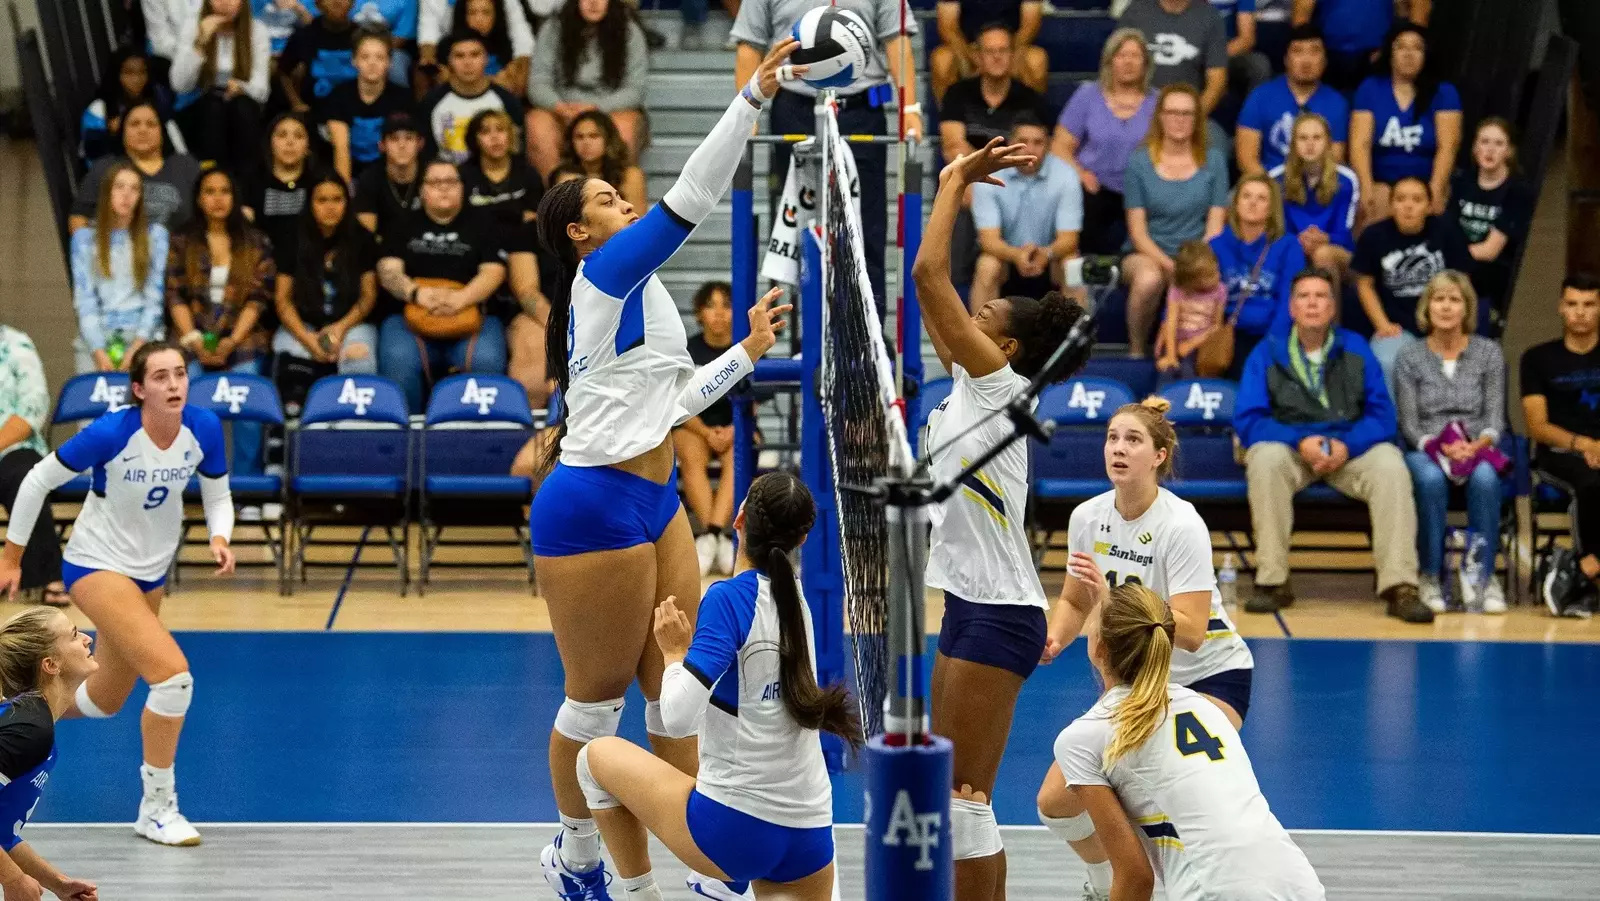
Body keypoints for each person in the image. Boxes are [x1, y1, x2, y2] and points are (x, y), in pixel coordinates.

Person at [527, 41, 798, 901]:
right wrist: (749, 100)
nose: (624, 201)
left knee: (678, 691)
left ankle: (705, 870)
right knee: (595, 707)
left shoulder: (646, 294)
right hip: (590, 506)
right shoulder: (601, 275)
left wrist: (747, 353)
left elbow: (677, 399)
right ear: (581, 230)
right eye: (607, 198)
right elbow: (692, 197)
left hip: (658, 499)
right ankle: (576, 854)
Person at [913, 137, 1090, 901]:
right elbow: (931, 295)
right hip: (967, 604)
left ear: (1006, 347)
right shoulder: (968, 388)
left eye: (981, 312)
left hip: (1001, 613)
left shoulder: (999, 386)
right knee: (948, 788)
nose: (967, 313)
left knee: (964, 795)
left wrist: (954, 179)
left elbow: (926, 275)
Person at [0, 341, 238, 848]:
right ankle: (156, 809)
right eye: (160, 377)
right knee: (173, 678)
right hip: (96, 564)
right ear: (138, 389)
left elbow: (218, 493)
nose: (174, 384)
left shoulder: (203, 428)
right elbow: (36, 481)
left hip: (150, 572)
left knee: (104, 699)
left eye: (179, 374)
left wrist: (221, 536)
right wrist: (12, 556)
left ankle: (3, 709)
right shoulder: (113, 433)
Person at [576, 472, 854, 901]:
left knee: (593, 759)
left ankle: (642, 895)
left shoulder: (728, 600)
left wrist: (672, 653)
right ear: (802, 539)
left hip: (732, 832)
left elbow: (678, 716)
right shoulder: (798, 604)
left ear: (739, 518)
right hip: (811, 836)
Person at [1033, 395, 1256, 901]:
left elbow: (1193, 629)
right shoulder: (1087, 518)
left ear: (1158, 455)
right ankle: (1105, 881)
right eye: (1112, 438)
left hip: (1206, 676)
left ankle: (1195, 886)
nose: (1118, 448)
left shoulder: (1180, 524)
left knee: (1172, 796)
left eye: (1133, 440)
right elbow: (1074, 598)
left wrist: (1112, 604)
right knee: (1055, 802)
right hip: (1138, 677)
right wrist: (1053, 637)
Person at [1051, 583, 1324, 901]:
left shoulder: (1083, 738)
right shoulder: (1207, 708)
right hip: (1299, 884)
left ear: (1099, 648)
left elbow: (1136, 879)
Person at [1234, 269, 1432, 622]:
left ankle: (1400, 586)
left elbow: (1383, 416)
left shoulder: (1356, 347)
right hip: (1293, 449)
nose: (1312, 303)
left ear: (1332, 307)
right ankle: (1272, 582)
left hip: (1348, 450)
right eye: (1304, 296)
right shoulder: (1267, 352)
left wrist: (1347, 445)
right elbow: (1249, 419)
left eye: (1321, 296)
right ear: (1291, 308)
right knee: (1264, 458)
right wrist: (1301, 441)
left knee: (1390, 465)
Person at [732, 0, 921, 314]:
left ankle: (867, 335)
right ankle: (801, 336)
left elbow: (897, 41)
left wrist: (910, 109)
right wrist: (746, 111)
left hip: (860, 111)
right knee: (794, 222)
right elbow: (748, 45)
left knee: (866, 223)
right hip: (794, 110)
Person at [1392, 271, 1508, 614]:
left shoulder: (1489, 353)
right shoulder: (1409, 356)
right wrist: (1438, 447)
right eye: (1439, 299)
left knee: (1486, 478)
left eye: (1454, 299)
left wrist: (1476, 446)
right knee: (1428, 479)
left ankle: (1482, 576)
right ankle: (1429, 574)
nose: (1446, 307)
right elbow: (1409, 423)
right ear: (1427, 307)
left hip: (1477, 446)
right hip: (1426, 448)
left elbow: (1495, 418)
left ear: (1466, 308)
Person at [375, 159, 510, 413]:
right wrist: (416, 293)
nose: (443, 188)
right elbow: (387, 270)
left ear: (462, 188)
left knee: (487, 360)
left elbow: (494, 271)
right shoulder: (401, 222)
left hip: (471, 312)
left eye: (451, 182)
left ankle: (478, 440)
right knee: (398, 362)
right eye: (435, 183)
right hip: (410, 313)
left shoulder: (484, 222)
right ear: (422, 190)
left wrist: (461, 299)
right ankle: (409, 440)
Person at [166, 168, 275, 480]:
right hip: (191, 339)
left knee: (247, 396)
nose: (217, 199)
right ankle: (189, 484)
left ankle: (246, 485)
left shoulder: (256, 241)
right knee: (181, 397)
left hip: (243, 339)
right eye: (209, 192)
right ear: (199, 199)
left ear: (235, 198)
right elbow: (175, 295)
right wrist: (194, 340)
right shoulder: (182, 240)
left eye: (224, 191)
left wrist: (231, 341)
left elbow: (258, 298)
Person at [1121, 83, 1230, 357]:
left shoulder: (1214, 160)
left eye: (1187, 113)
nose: (1179, 120)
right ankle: (1136, 351)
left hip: (1198, 253)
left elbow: (1215, 226)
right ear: (1160, 117)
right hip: (1147, 252)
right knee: (1149, 278)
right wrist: (1171, 266)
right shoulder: (1139, 162)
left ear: (1197, 119)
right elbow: (1138, 232)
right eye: (1172, 112)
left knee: (1214, 276)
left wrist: (1190, 266)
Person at [0, 608, 101, 900]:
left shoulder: (34, 723)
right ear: (51, 665)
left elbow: (4, 832)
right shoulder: (28, 730)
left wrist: (56, 883)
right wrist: (14, 880)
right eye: (73, 635)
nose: (86, 639)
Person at [460, 109, 553, 408]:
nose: (494, 137)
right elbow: (465, 221)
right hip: (476, 262)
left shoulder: (527, 173)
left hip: (523, 258)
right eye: (486, 131)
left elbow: (535, 219)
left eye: (500, 129)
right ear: (475, 139)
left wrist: (490, 214)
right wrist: (513, 213)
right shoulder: (465, 175)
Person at [1520, 274, 1600, 613]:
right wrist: (1584, 444)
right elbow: (1538, 426)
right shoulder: (1537, 358)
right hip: (1559, 453)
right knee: (1593, 481)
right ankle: (1587, 576)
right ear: (1560, 308)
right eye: (1572, 304)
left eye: (1589, 304)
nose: (1580, 312)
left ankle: (1584, 569)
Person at [1351, 176, 1472, 385]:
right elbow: (1364, 285)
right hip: (1398, 324)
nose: (1408, 206)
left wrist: (1450, 323)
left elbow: (1462, 281)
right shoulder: (1374, 236)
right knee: (1385, 360)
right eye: (1400, 199)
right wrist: (1382, 324)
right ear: (1391, 205)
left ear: (1429, 206)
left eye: (1417, 200)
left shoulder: (1447, 231)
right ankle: (1395, 419)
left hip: (1443, 321)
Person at [1051, 28, 1156, 256]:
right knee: (1080, 200)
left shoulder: (1158, 102)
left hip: (1143, 188)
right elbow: (1059, 146)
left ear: (1146, 64)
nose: (1128, 62)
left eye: (1135, 56)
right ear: (1110, 61)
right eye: (1121, 55)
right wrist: (1081, 173)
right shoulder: (1088, 95)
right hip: (1094, 186)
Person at [1349, 23, 1461, 222]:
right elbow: (1360, 145)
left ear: (1426, 55)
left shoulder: (1444, 92)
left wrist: (1435, 189)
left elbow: (1448, 147)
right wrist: (1366, 187)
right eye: (1401, 47)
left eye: (1417, 48)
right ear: (1389, 53)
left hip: (1425, 182)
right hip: (1382, 181)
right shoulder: (1370, 88)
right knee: (1375, 205)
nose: (1409, 54)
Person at [525, 0, 651, 177]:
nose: (593, 3)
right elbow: (538, 82)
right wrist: (559, 106)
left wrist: (597, 108)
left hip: (610, 109)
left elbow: (635, 89)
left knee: (625, 125)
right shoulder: (553, 28)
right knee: (537, 123)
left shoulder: (629, 31)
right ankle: (556, 198)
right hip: (563, 108)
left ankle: (611, 198)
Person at [971, 115, 1083, 308]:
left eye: (1038, 142)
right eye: (1023, 142)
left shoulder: (1066, 175)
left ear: (1048, 145)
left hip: (1050, 259)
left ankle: (1074, 338)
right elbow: (988, 240)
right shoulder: (988, 175)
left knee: (1073, 265)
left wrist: (1045, 254)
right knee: (987, 266)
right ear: (1010, 143)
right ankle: (979, 337)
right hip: (1005, 258)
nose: (1030, 149)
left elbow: (1069, 239)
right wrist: (1016, 255)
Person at [273, 174, 381, 374]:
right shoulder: (291, 239)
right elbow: (282, 300)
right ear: (310, 203)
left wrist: (340, 328)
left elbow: (368, 296)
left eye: (337, 200)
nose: (330, 207)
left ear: (347, 203)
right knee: (290, 360)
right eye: (322, 200)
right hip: (302, 323)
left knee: (359, 360)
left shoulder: (363, 238)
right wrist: (306, 338)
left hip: (352, 323)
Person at [71, 163, 171, 376]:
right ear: (107, 193)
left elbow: (155, 300)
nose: (127, 195)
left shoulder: (155, 236)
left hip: (144, 334)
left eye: (134, 189)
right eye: (119, 187)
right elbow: (85, 300)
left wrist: (137, 347)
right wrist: (98, 350)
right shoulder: (84, 239)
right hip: (98, 334)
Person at [1209, 173, 1306, 373]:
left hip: (1270, 333)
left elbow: (1290, 298)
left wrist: (1272, 343)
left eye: (1261, 198)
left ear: (1271, 208)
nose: (1252, 203)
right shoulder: (1216, 245)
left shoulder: (1288, 245)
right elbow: (1192, 290)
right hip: (1227, 334)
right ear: (1235, 203)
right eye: (1246, 196)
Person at [676, 282, 740, 578]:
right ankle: (719, 537)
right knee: (690, 455)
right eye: (711, 306)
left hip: (735, 427)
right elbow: (676, 403)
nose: (718, 314)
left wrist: (733, 430)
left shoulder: (743, 348)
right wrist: (705, 432)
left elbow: (750, 406)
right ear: (700, 313)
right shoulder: (686, 350)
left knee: (737, 458)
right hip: (695, 427)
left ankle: (712, 536)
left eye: (726, 306)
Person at [169, 0, 271, 184]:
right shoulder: (193, 27)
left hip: (242, 109)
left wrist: (241, 87)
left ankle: (246, 186)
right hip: (201, 108)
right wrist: (201, 42)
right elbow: (179, 84)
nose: (225, 3)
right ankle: (214, 180)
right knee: (213, 106)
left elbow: (262, 90)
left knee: (242, 108)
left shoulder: (257, 30)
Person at [0, 329, 67, 609]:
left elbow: (32, 407)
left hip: (13, 443)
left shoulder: (15, 345)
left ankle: (50, 576)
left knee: (25, 476)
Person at [70, 102, 203, 233]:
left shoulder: (186, 165)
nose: (142, 130)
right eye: (134, 124)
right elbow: (78, 219)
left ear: (162, 132)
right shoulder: (104, 168)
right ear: (123, 131)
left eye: (151, 124)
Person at [1450, 118, 1535, 323]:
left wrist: (1448, 256)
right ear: (1475, 147)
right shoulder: (1461, 182)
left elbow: (1490, 250)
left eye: (1498, 144)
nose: (1490, 150)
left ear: (1509, 151)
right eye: (1484, 142)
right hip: (1459, 265)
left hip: (1494, 272)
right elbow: (1448, 230)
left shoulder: (1518, 191)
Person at [1236, 24, 1349, 174]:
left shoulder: (1337, 103)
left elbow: (1335, 159)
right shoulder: (1260, 97)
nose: (1306, 60)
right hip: (1269, 184)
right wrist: (1272, 189)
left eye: (1314, 51)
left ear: (1325, 61)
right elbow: (1246, 159)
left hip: (1318, 187)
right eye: (1298, 51)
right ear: (1286, 60)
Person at [937, 21, 1046, 164]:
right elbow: (953, 145)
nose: (997, 56)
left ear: (1013, 55)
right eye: (990, 51)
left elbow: (1032, 149)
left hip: (1015, 177)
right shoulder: (957, 93)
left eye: (1003, 50)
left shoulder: (1030, 99)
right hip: (970, 176)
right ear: (977, 56)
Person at [1272, 111, 1359, 281]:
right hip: (1291, 246)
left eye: (1317, 138)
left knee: (1322, 254)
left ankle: (1329, 308)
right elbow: (1276, 230)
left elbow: (1345, 234)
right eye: (1303, 138)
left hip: (1336, 251)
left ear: (1328, 143)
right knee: (1292, 252)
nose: (1310, 144)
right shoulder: (1275, 179)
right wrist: (1299, 241)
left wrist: (1324, 238)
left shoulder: (1347, 180)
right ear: (1293, 144)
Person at [420, 31, 528, 166]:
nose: (468, 62)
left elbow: (516, 152)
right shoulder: (431, 102)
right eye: (459, 56)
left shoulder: (507, 101)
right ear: (449, 61)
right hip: (447, 181)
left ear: (486, 58)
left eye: (475, 54)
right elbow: (426, 155)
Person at [323, 29, 416, 184]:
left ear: (389, 62)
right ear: (354, 60)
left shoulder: (403, 99)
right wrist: (345, 193)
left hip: (389, 178)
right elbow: (341, 149)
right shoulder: (338, 96)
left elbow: (404, 148)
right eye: (365, 57)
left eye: (379, 57)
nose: (372, 63)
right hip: (351, 174)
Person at [1118, 0, 1228, 125]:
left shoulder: (1210, 16)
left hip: (1187, 113)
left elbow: (1217, 82)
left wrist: (1191, 119)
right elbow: (1117, 67)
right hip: (1137, 113)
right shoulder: (1135, 11)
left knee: (1217, 144)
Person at [1290, 0, 1429, 95]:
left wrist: (1409, 45)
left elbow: (1420, 4)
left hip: (1378, 56)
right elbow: (1302, 8)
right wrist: (1308, 52)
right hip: (1329, 56)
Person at [929, 1, 1049, 103]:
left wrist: (1006, 54)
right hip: (969, 50)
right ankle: (950, 122)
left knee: (1036, 59)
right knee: (942, 59)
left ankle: (1030, 122)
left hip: (1011, 48)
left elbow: (1030, 26)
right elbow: (948, 28)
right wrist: (976, 58)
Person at [242, 113, 321, 265]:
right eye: (282, 135)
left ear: (308, 147)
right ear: (270, 143)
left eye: (298, 136)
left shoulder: (319, 183)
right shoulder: (251, 182)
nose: (290, 142)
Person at [79, 46, 176, 168]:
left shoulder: (157, 101)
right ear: (116, 74)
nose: (136, 79)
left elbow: (173, 140)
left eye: (142, 72)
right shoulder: (100, 109)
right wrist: (112, 135)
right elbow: (92, 154)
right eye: (129, 73)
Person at [420, 0, 535, 96]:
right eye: (472, 13)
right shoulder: (447, 48)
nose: (479, 19)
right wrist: (493, 82)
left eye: (486, 12)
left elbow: (521, 33)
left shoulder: (508, 49)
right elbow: (428, 25)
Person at [1155, 240, 1226, 379]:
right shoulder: (1177, 290)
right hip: (1175, 340)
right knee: (1166, 372)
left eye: (1216, 270)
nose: (1217, 276)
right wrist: (1171, 356)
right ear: (1192, 281)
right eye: (1210, 275)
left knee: (1188, 371)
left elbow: (1217, 326)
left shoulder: (1220, 290)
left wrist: (1192, 344)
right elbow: (1171, 321)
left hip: (1201, 342)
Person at [275, 0, 359, 115]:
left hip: (353, 112)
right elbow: (283, 72)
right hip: (313, 114)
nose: (337, 2)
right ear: (317, 4)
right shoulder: (303, 36)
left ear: (353, 3)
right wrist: (296, 103)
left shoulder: (362, 37)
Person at [560, 110, 648, 212]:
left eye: (594, 136)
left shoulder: (631, 176)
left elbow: (638, 221)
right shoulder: (566, 178)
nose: (586, 143)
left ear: (608, 140)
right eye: (579, 137)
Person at [354, 112, 425, 236]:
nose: (402, 145)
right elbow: (366, 236)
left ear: (420, 144)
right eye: (394, 139)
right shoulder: (369, 180)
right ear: (382, 146)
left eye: (409, 138)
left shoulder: (431, 176)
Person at [344, 0, 419, 85]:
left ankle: (399, 97)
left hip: (390, 48)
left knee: (395, 62)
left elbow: (402, 35)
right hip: (347, 45)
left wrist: (373, 50)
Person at [1211, 0, 1272, 105]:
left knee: (1259, 65)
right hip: (1193, 50)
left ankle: (1252, 118)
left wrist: (1213, 57)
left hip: (1230, 51)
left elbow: (1246, 40)